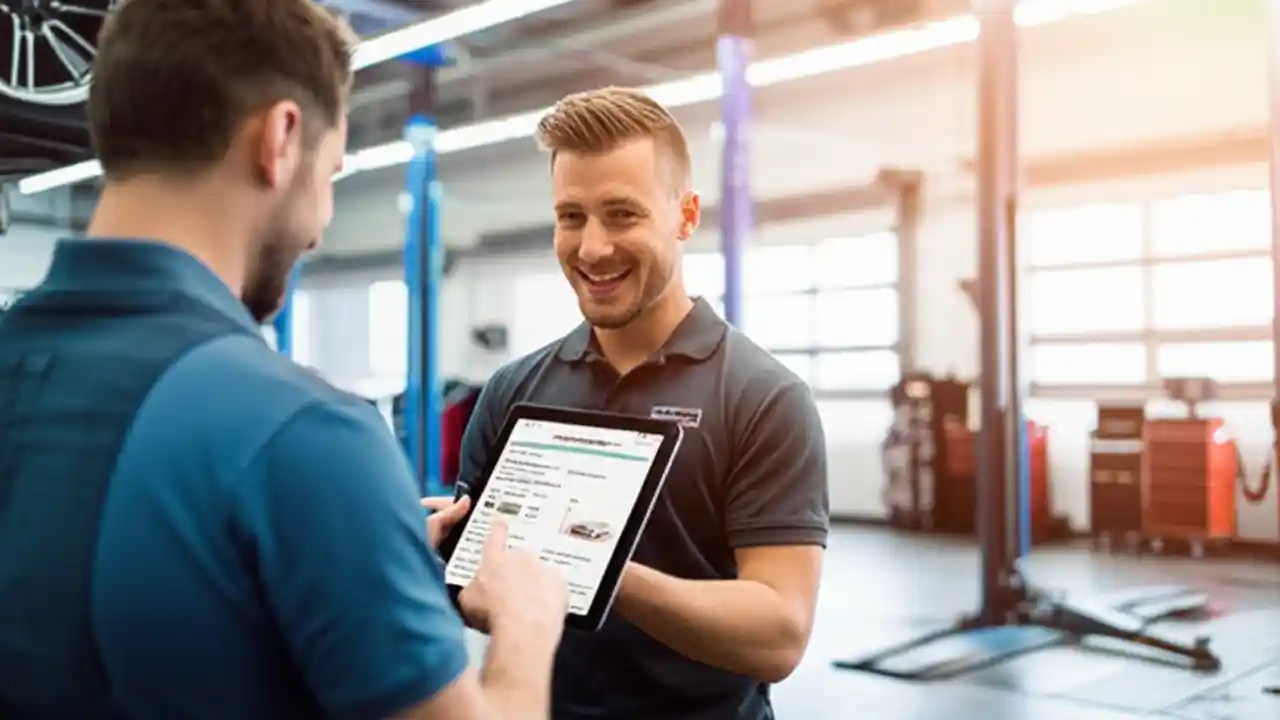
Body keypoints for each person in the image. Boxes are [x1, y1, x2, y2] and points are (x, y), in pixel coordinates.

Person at [0, 1, 566, 718]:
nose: (321, 226)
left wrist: (355, 552)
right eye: (331, 174)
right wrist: (527, 621)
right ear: (281, 137)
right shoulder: (303, 432)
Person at [456, 87, 830, 720]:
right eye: (571, 216)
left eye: (622, 214)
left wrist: (591, 568)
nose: (592, 248)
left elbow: (779, 632)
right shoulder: (512, 390)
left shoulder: (762, 398)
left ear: (685, 217)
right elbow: (474, 589)